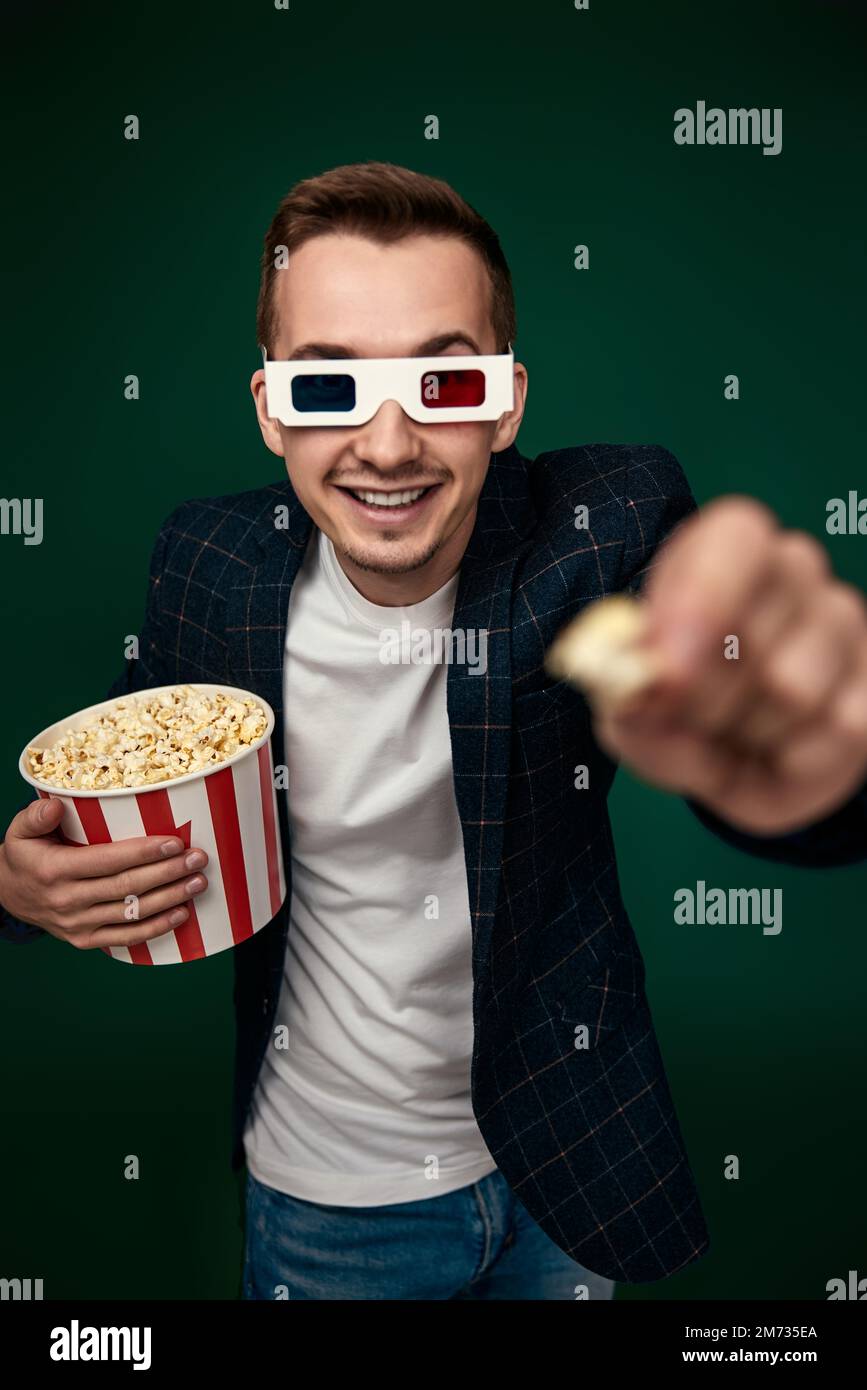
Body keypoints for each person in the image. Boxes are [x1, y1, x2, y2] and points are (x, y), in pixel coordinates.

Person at [2, 161, 866, 1301]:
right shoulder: (206, 572)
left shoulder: (599, 532)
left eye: (445, 383)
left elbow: (738, 707)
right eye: (329, 388)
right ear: (268, 410)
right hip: (325, 1195)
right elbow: (113, 772)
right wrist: (18, 889)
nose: (391, 442)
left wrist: (808, 769)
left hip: (564, 1165)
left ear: (508, 401)